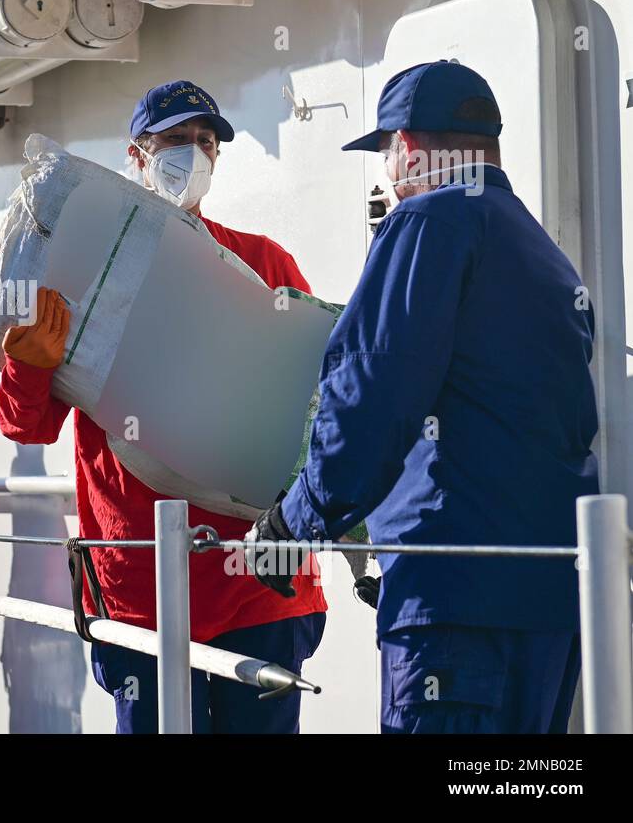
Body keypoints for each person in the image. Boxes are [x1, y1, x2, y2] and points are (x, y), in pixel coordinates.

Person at [246, 61, 597, 733]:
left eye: (385, 156)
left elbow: (372, 394)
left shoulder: (427, 220)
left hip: (453, 603)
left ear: (404, 147)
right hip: (551, 605)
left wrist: (296, 523)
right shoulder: (540, 250)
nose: (388, 177)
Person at [0, 80, 326, 734]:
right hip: (137, 594)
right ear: (136, 154)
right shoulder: (75, 266)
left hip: (257, 586)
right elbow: (26, 424)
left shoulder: (263, 260)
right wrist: (27, 363)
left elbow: (313, 407)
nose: (194, 155)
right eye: (176, 141)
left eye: (206, 143)